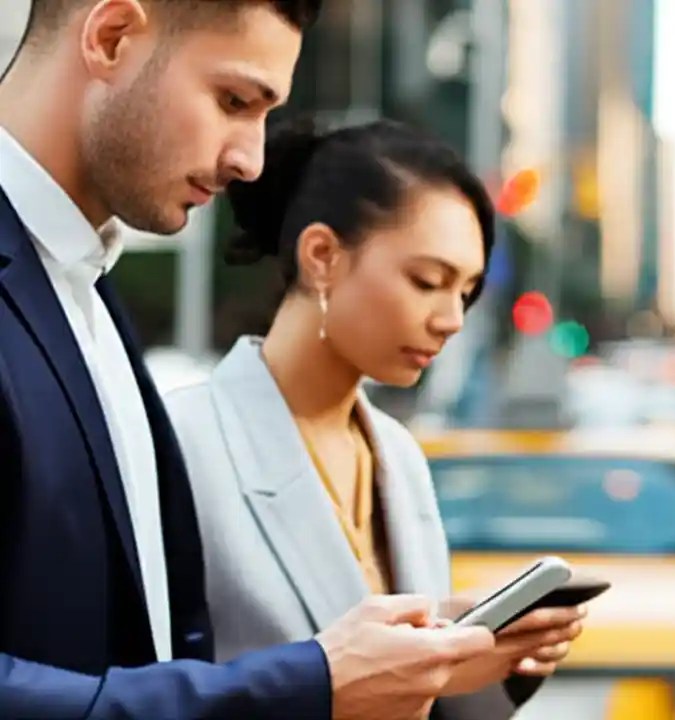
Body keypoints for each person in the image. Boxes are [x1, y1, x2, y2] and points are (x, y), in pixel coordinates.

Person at [0, 2, 496, 718]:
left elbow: (149, 653)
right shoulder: (178, 403)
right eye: (233, 100)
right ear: (111, 37)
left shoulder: (87, 297)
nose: (251, 161)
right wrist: (308, 683)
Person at [163, 117, 587, 720]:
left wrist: (475, 655)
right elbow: (144, 690)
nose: (451, 319)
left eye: (465, 291)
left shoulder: (397, 453)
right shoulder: (179, 442)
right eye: (427, 281)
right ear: (322, 256)